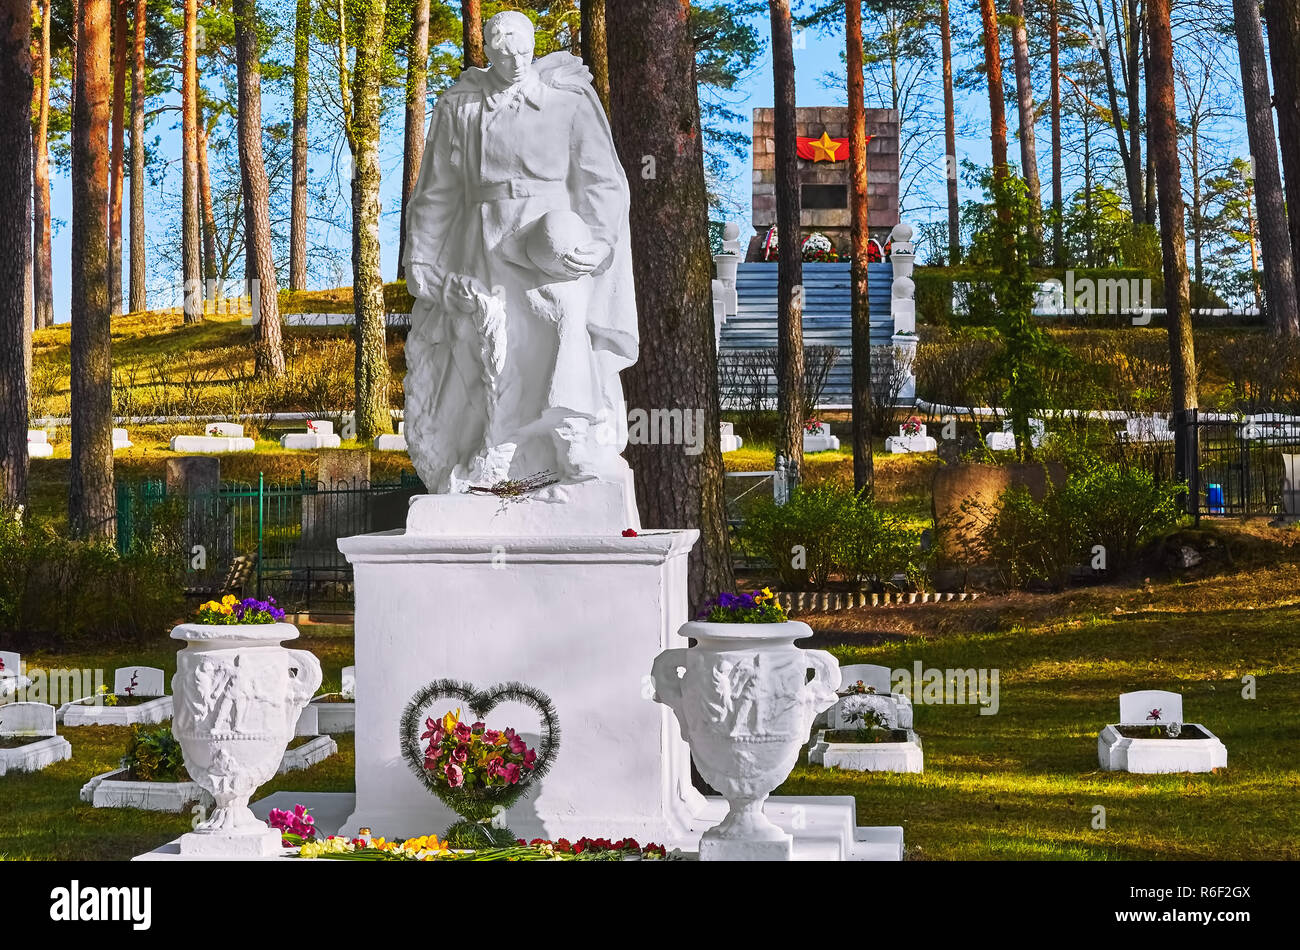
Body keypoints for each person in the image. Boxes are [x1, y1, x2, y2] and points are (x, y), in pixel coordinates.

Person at [402, 10, 638, 493]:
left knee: (566, 318)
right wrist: (420, 260)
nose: (514, 63)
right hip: (481, 237)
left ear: (533, 48)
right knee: (492, 342)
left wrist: (599, 242)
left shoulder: (567, 102)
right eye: (503, 54)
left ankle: (571, 432)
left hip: (551, 238)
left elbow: (602, 181)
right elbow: (437, 192)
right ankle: (495, 448)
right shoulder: (461, 107)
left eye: (523, 53)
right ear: (488, 52)